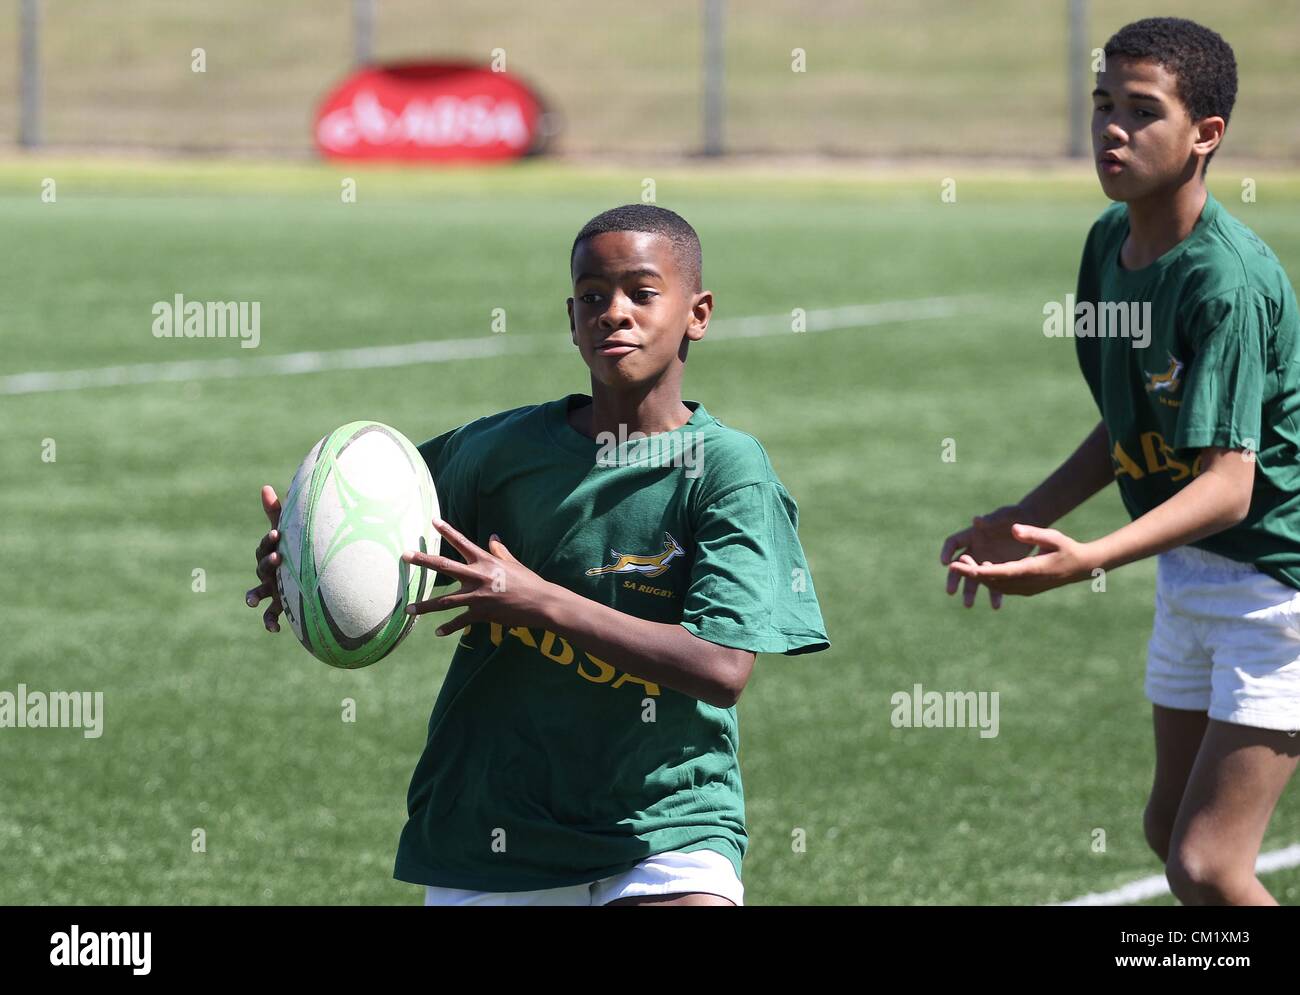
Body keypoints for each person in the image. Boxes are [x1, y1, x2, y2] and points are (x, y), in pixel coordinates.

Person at [248, 203, 829, 905]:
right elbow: (379, 527)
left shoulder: (727, 468)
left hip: (663, 824)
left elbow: (722, 668)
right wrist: (303, 557)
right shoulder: (499, 453)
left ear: (697, 313)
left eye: (642, 293)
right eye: (592, 296)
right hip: (492, 827)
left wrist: (536, 599)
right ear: (571, 319)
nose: (614, 312)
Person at [942, 17, 1300, 906]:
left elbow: (1227, 486)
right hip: (1193, 575)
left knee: (1206, 865)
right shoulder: (1109, 244)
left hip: (1279, 590)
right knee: (1165, 826)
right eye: (1103, 102)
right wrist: (1022, 519)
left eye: (1143, 111)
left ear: (1204, 137)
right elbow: (1126, 423)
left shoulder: (1225, 281)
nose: (1111, 127)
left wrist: (1089, 560)